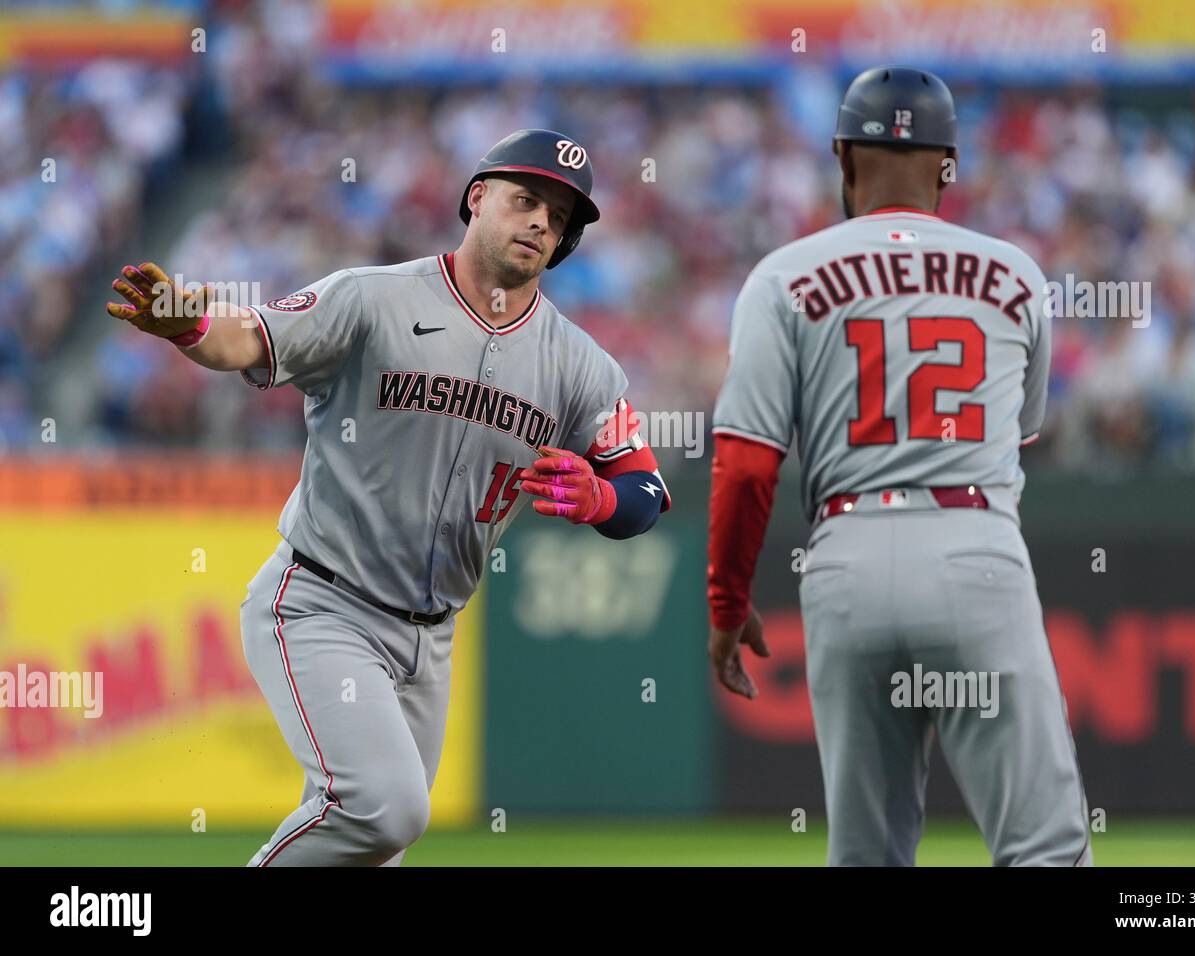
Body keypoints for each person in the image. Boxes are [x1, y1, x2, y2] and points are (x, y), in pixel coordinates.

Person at [107, 129, 670, 866]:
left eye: (558, 217)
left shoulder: (578, 366)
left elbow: (647, 490)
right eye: (525, 199)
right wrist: (192, 325)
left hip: (430, 637)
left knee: (374, 847)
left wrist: (601, 499)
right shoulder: (372, 298)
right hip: (323, 601)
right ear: (477, 198)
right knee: (385, 810)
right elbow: (250, 338)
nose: (540, 221)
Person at [706, 67, 1091, 866]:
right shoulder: (1015, 273)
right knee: (1044, 851)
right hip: (973, 542)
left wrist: (727, 600)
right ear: (948, 164)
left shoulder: (782, 274)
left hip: (844, 559)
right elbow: (1022, 434)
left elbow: (745, 465)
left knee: (868, 856)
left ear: (843, 156)